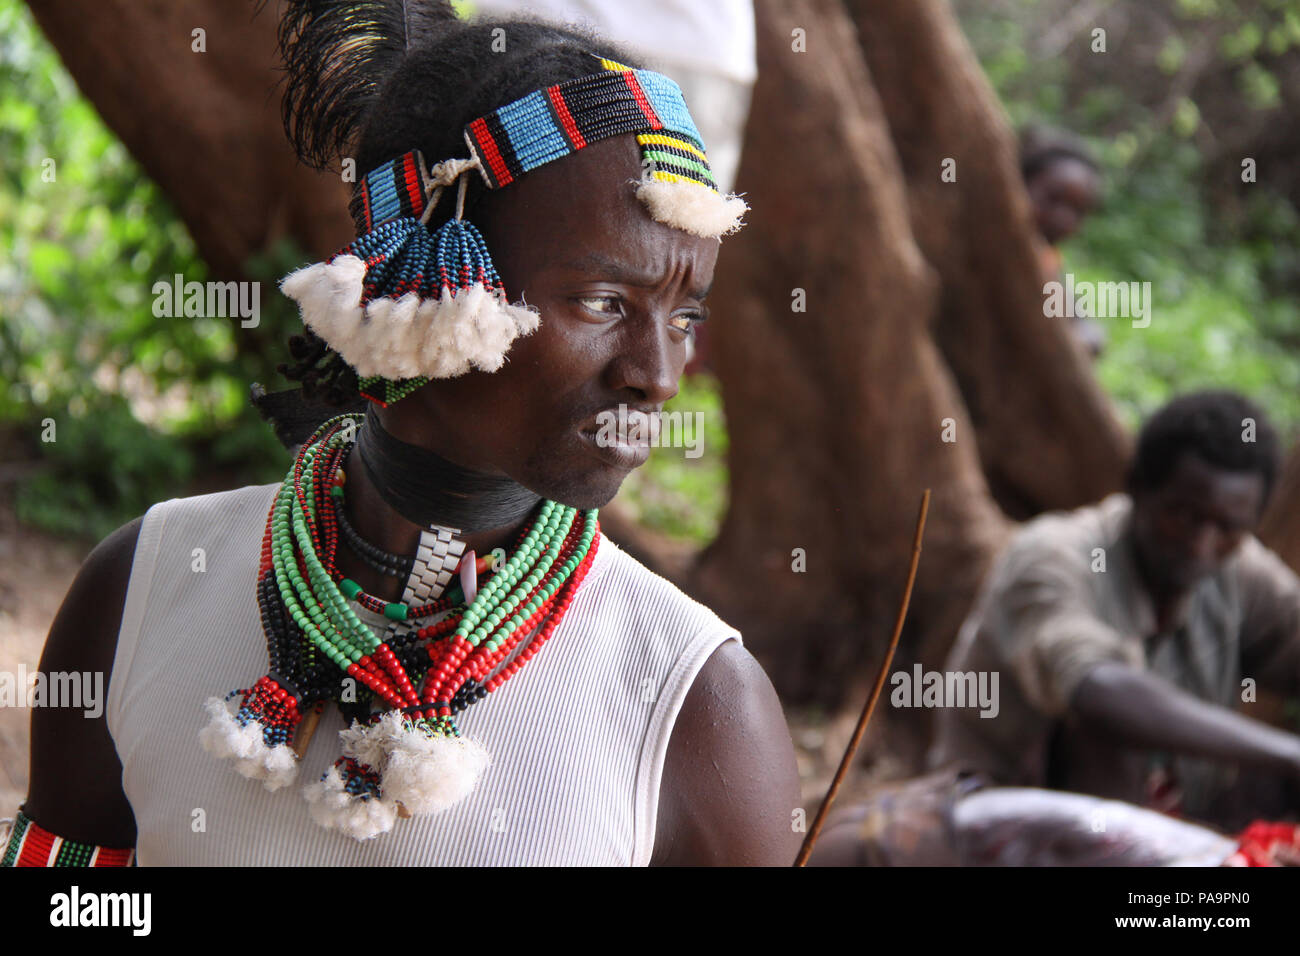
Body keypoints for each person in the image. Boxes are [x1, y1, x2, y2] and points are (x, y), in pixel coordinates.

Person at [4, 2, 801, 867]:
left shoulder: (694, 708)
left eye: (682, 316)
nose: (657, 372)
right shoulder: (142, 590)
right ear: (426, 270)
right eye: (604, 303)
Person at [929, 390, 1300, 831]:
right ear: (1139, 487)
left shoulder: (1239, 571)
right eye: (1182, 516)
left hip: (1162, 821)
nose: (1202, 544)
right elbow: (1097, 689)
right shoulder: (1054, 555)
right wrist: (1290, 755)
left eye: (1227, 527)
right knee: (1109, 732)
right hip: (1000, 827)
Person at [1020, 127, 1105, 357]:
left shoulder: (1048, 261)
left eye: (1078, 211)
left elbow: (1086, 327)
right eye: (1052, 198)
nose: (1063, 218)